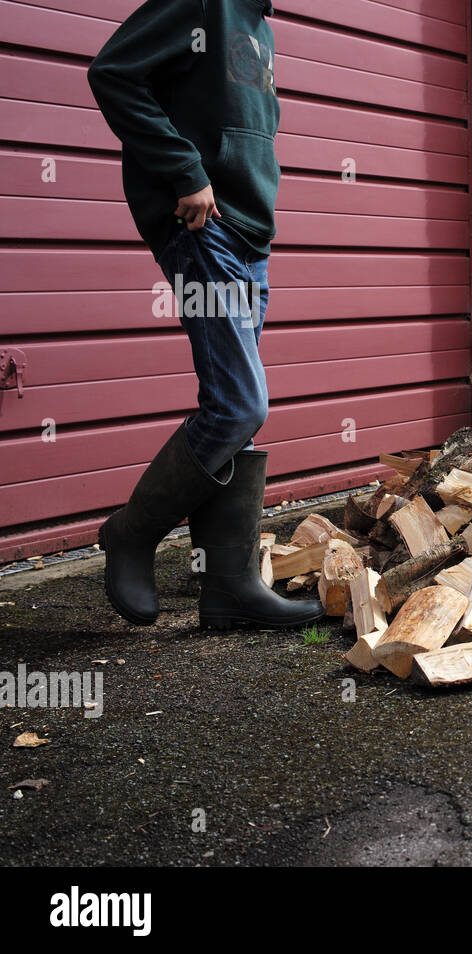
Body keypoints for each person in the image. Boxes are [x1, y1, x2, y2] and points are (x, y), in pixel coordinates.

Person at [88, 0, 322, 629]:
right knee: (241, 405)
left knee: (233, 410)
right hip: (203, 226)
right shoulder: (199, 3)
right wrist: (185, 171)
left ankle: (228, 588)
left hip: (248, 233)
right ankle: (132, 533)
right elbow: (112, 72)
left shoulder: (259, 23)